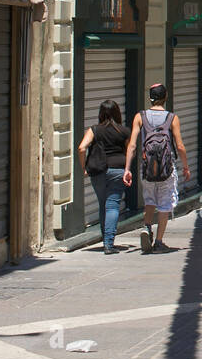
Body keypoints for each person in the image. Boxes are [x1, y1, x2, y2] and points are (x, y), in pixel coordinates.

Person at [125, 84, 191, 254]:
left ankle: (147, 227)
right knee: (164, 203)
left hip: (146, 168)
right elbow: (180, 145)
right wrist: (185, 166)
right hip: (166, 168)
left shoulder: (140, 117)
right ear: (166, 97)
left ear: (150, 98)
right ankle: (159, 242)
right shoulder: (172, 118)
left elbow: (132, 144)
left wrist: (127, 168)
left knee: (149, 199)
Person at [78, 100, 131, 254]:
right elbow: (130, 151)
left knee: (103, 204)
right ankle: (109, 243)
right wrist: (128, 169)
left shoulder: (94, 130)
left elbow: (82, 148)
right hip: (118, 170)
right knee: (113, 204)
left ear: (101, 113)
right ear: (117, 113)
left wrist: (84, 167)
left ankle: (105, 240)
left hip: (98, 170)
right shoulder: (124, 131)